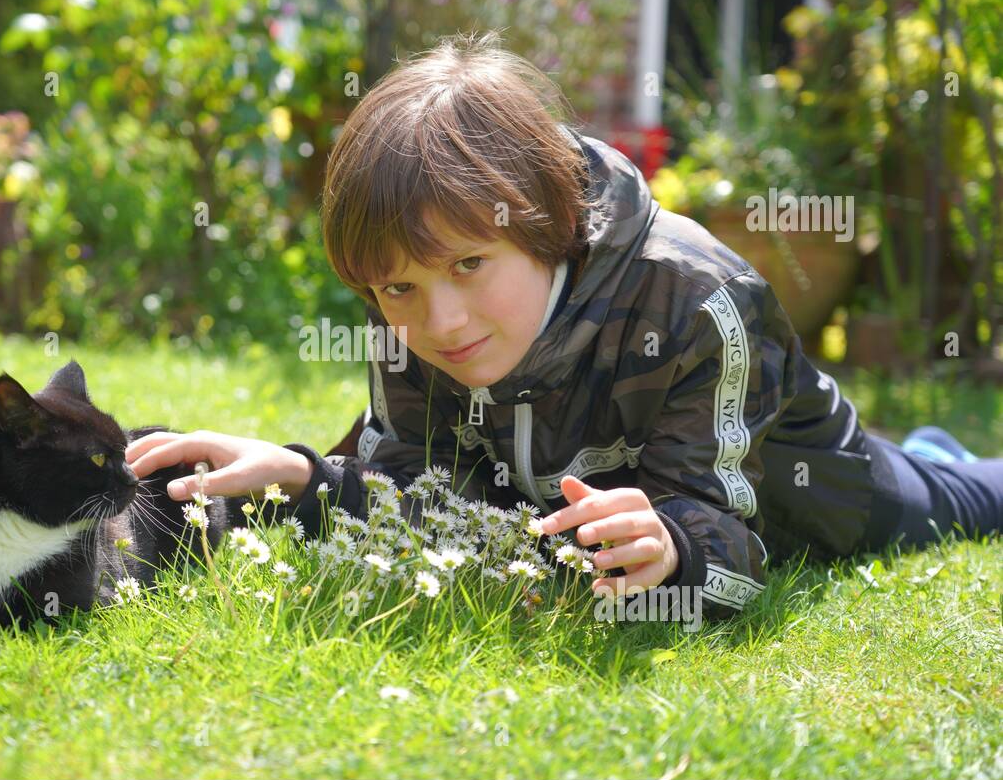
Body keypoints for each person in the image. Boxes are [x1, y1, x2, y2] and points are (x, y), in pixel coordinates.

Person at [126, 31, 1003, 621]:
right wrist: (309, 479)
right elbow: (429, 505)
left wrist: (673, 551)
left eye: (469, 265)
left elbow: (733, 554)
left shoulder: (700, 299)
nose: (441, 321)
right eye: (396, 287)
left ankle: (953, 464)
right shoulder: (410, 312)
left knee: (959, 503)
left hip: (820, 490)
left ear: (543, 221)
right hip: (605, 490)